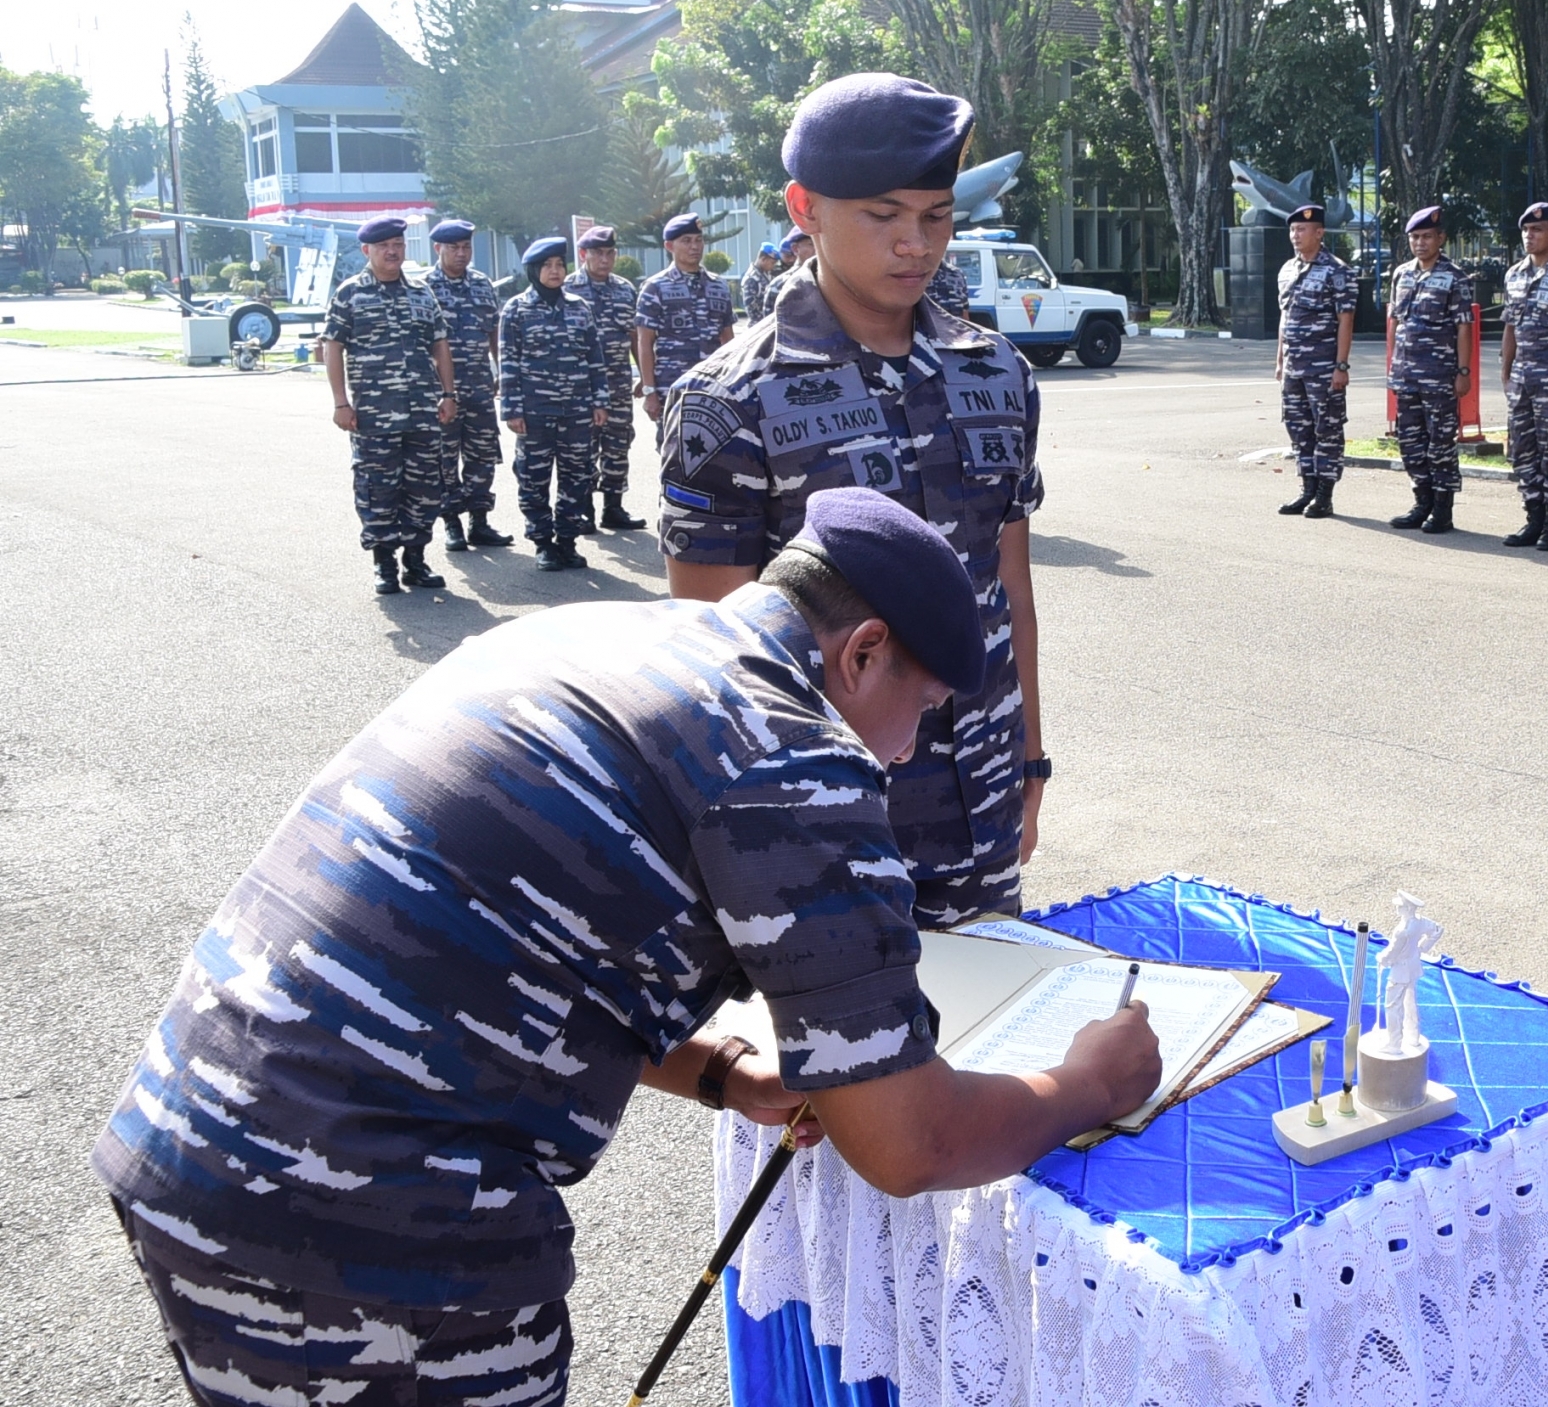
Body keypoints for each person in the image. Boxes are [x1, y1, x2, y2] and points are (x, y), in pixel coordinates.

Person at [92, 486, 1161, 1407]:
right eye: (921, 710)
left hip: (195, 1147)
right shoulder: (787, 756)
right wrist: (1082, 1084)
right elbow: (909, 1145)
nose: (910, 746)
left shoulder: (574, 639)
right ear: (862, 650)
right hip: (370, 1234)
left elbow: (505, 948)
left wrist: (715, 1074)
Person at [656, 72, 1049, 928]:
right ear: (806, 208)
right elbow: (714, 658)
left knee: (991, 1032)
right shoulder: (728, 400)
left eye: (937, 215)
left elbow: (1007, 590)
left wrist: (1029, 760)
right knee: (852, 1058)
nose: (917, 244)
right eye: (884, 215)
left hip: (983, 800)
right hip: (820, 826)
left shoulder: (996, 372)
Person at [322, 218, 459, 596]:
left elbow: (440, 344)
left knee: (424, 487)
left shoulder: (421, 293)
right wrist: (340, 402)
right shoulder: (350, 294)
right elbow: (332, 347)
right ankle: (384, 563)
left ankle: (415, 560)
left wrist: (448, 394)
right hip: (373, 416)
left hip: (421, 413)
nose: (392, 251)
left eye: (397, 243)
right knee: (377, 489)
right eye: (383, 245)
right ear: (366, 250)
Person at [499, 237, 609, 572]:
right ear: (534, 270)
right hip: (534, 412)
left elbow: (594, 357)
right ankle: (543, 543)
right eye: (547, 266)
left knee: (577, 476)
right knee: (533, 479)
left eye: (560, 265)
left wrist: (599, 401)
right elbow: (509, 362)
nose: (555, 271)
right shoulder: (516, 309)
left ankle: (567, 541)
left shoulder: (579, 307)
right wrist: (513, 410)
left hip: (576, 410)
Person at [422, 219, 513, 553]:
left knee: (482, 455)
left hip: (478, 386)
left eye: (466, 248)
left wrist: (501, 370)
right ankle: (452, 523)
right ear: (438, 249)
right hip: (440, 390)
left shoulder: (481, 284)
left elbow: (493, 330)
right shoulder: (424, 287)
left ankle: (479, 521)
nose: (462, 254)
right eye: (454, 248)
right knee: (445, 458)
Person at [1384, 205, 1476, 535]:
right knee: (1410, 442)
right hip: (1406, 374)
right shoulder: (1402, 274)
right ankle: (1421, 502)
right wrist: (1393, 363)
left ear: (1441, 238)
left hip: (1439, 375)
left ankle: (1442, 509)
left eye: (1427, 237)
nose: (1420, 243)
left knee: (1440, 445)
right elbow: (1395, 322)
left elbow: (1464, 327)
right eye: (1415, 237)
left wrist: (1463, 372)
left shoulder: (1455, 277)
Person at [1499, 201, 1548, 551]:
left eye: (1538, 230)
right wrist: (1505, 371)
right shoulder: (1515, 274)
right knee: (1523, 450)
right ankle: (1532, 516)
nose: (1530, 236)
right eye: (1526, 231)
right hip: (1522, 380)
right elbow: (1510, 326)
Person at [1272, 202, 1358, 519]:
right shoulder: (1286, 270)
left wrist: (1341, 365)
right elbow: (1285, 317)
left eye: (1302, 229)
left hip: (1324, 367)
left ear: (1319, 233)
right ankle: (1306, 490)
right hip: (1294, 366)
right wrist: (1280, 359)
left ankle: (1324, 495)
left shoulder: (1338, 271)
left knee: (1328, 430)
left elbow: (1346, 319)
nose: (1296, 235)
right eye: (1293, 229)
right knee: (1299, 429)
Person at [569, 225, 647, 533]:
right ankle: (584, 509)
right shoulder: (568, 289)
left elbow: (634, 336)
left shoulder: (625, 289)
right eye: (598, 253)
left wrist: (643, 376)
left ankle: (613, 507)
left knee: (618, 445)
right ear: (583, 255)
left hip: (617, 382)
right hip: (581, 386)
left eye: (610, 253)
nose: (605, 259)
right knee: (583, 447)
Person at [635, 213, 736, 430]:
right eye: (686, 241)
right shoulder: (655, 287)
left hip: (713, 387)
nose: (694, 247)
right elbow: (645, 343)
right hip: (671, 388)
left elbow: (728, 339)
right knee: (673, 454)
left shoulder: (719, 286)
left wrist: (733, 383)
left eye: (698, 240)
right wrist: (649, 391)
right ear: (669, 246)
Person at [743, 238, 788, 325]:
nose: (773, 266)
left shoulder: (766, 275)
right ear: (763, 259)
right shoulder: (752, 279)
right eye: (772, 263)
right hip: (758, 326)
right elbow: (752, 309)